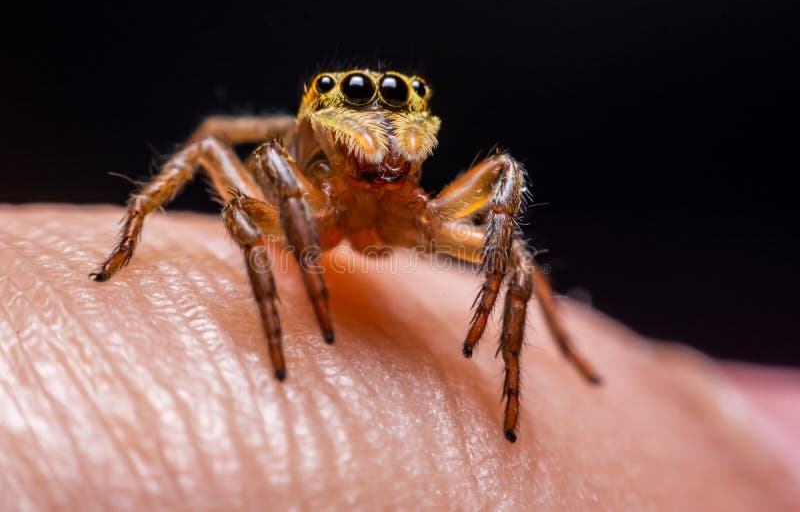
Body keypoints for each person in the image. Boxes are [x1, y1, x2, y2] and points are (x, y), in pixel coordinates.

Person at [1, 205, 797, 510]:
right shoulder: (291, 179)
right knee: (223, 150)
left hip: (391, 230)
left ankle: (539, 363)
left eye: (400, 106)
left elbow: (504, 211)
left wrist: (510, 330)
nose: (380, 125)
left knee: (515, 260)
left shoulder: (426, 191)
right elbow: (235, 166)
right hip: (308, 223)